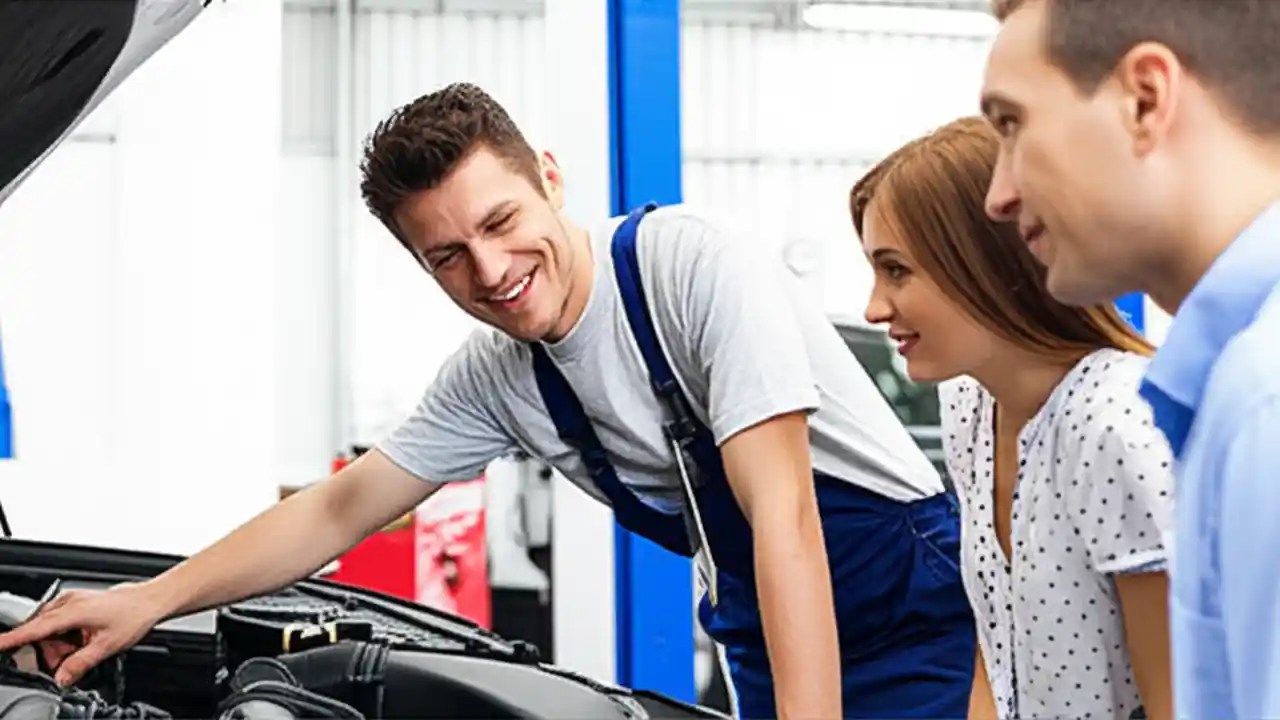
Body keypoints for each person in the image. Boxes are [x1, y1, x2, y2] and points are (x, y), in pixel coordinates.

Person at [0, 82, 976, 719]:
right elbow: (339, 508)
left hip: (909, 621)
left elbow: (785, 522)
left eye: (502, 221)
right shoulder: (500, 377)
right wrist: (148, 602)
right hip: (766, 638)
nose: (493, 271)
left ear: (549, 177)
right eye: (447, 256)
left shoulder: (687, 266)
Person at [979, 1, 1280, 715]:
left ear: (1144, 99)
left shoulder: (1263, 399)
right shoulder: (1232, 386)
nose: (998, 194)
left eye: (1013, 125)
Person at [850, 115, 1175, 720]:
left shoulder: (1115, 422)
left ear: (985, 262)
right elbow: (994, 653)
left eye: (896, 270)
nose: (873, 307)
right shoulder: (970, 407)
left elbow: (1183, 703)